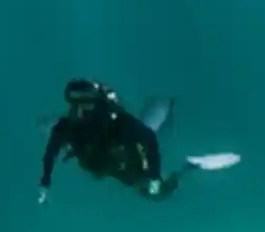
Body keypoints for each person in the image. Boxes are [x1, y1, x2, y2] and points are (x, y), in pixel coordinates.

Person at [38, 79, 195, 204]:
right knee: (148, 186)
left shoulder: (117, 123)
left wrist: (154, 177)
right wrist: (45, 183)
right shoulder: (68, 127)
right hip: (107, 160)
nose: (82, 111)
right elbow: (51, 151)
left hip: (122, 157)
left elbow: (148, 139)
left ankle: (185, 170)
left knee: (153, 190)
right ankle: (183, 170)